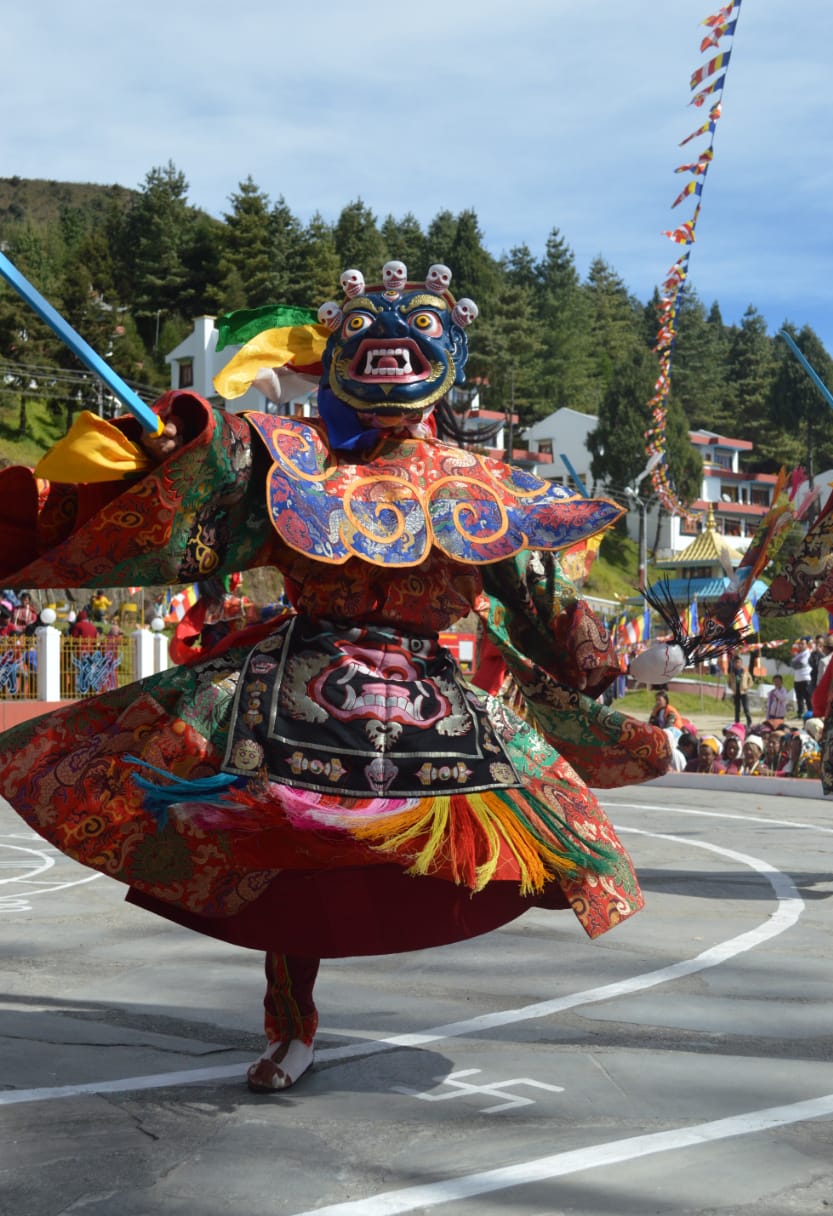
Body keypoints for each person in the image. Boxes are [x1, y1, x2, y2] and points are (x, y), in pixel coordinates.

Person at [0, 263, 672, 1092]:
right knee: (284, 863)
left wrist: (611, 660)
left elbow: (542, 596)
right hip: (293, 678)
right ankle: (291, 1025)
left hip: (432, 691)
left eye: (418, 332)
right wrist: (173, 461)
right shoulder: (286, 457)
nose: (389, 352)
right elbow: (198, 528)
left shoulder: (490, 483)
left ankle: (310, 1014)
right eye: (365, 336)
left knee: (563, 823)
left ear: (453, 354)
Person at [726, 654, 753, 728]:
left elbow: (750, 681)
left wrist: (747, 687)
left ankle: (749, 722)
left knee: (746, 709)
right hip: (736, 693)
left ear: (741, 663)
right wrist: (732, 688)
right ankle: (737, 723)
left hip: (744, 693)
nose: (737, 664)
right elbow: (729, 682)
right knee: (737, 709)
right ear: (734, 664)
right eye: (736, 662)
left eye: (739, 662)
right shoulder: (732, 673)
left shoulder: (745, 672)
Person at [789, 640, 813, 716]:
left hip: (806, 678)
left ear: (807, 645)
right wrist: (795, 664)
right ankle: (800, 713)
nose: (801, 645)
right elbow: (791, 663)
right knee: (799, 698)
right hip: (797, 679)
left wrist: (795, 664)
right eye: (800, 644)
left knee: (808, 698)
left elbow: (802, 664)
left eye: (803, 644)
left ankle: (810, 713)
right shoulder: (798, 654)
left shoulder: (808, 653)